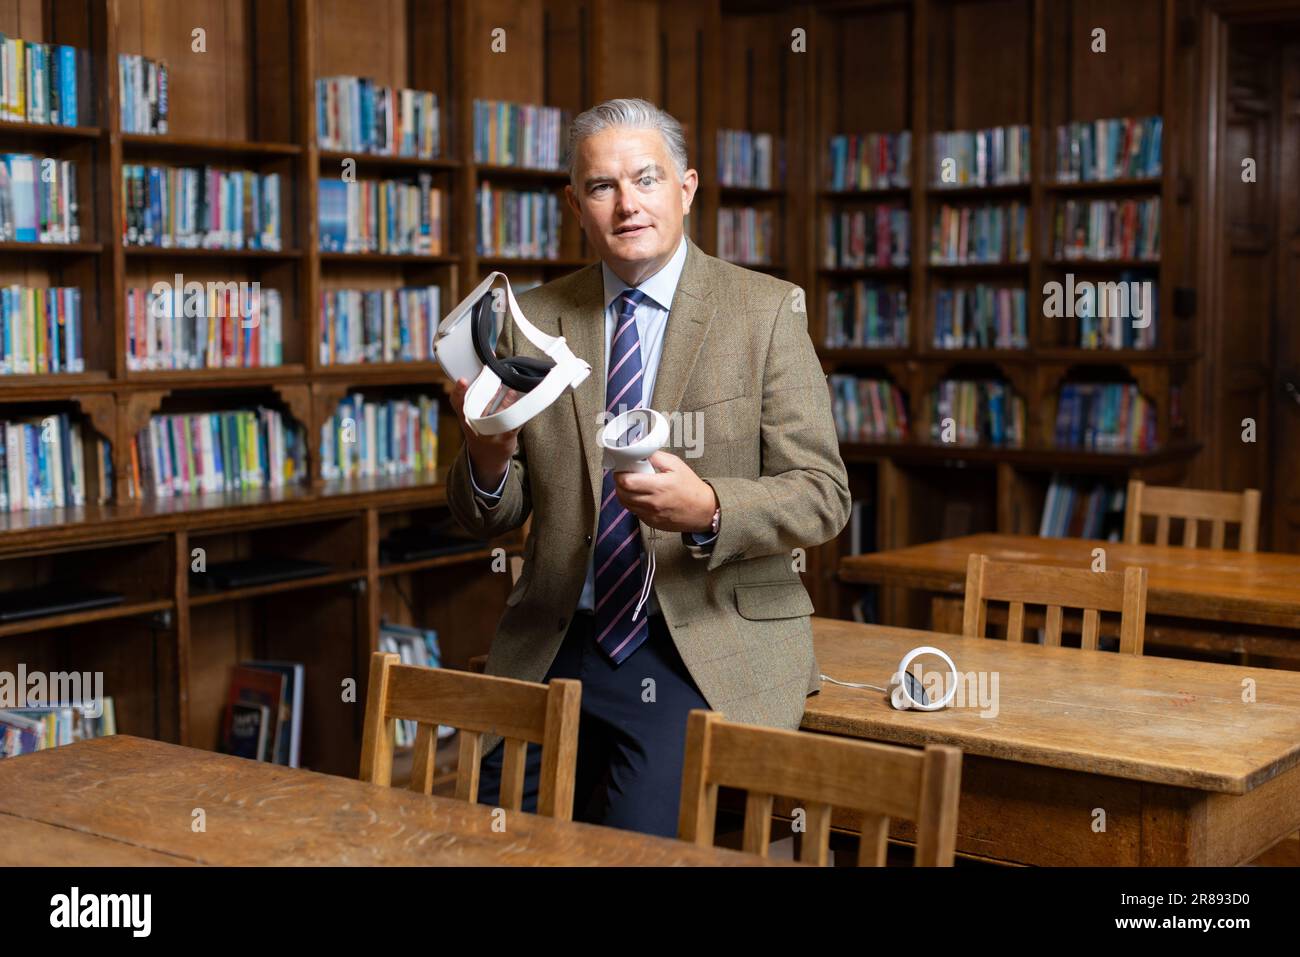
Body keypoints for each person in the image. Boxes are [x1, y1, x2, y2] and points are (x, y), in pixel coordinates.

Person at [446, 97, 850, 838]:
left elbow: (824, 497)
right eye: (602, 187)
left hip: (701, 642)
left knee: (630, 846)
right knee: (482, 836)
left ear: (686, 188)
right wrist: (486, 454)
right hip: (560, 636)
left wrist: (711, 509)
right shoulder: (528, 320)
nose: (627, 204)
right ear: (576, 204)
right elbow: (486, 515)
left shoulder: (767, 312)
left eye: (647, 179)